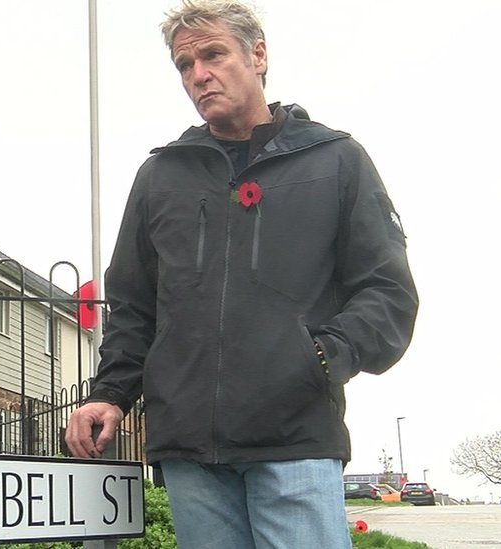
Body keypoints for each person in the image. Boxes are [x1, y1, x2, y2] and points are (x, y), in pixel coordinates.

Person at [65, 1, 418, 547]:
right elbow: (133, 305)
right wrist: (110, 393)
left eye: (213, 55)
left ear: (257, 55)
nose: (198, 74)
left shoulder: (336, 160)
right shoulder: (160, 175)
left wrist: (321, 357)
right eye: (185, 64)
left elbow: (387, 290)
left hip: (294, 438)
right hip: (189, 450)